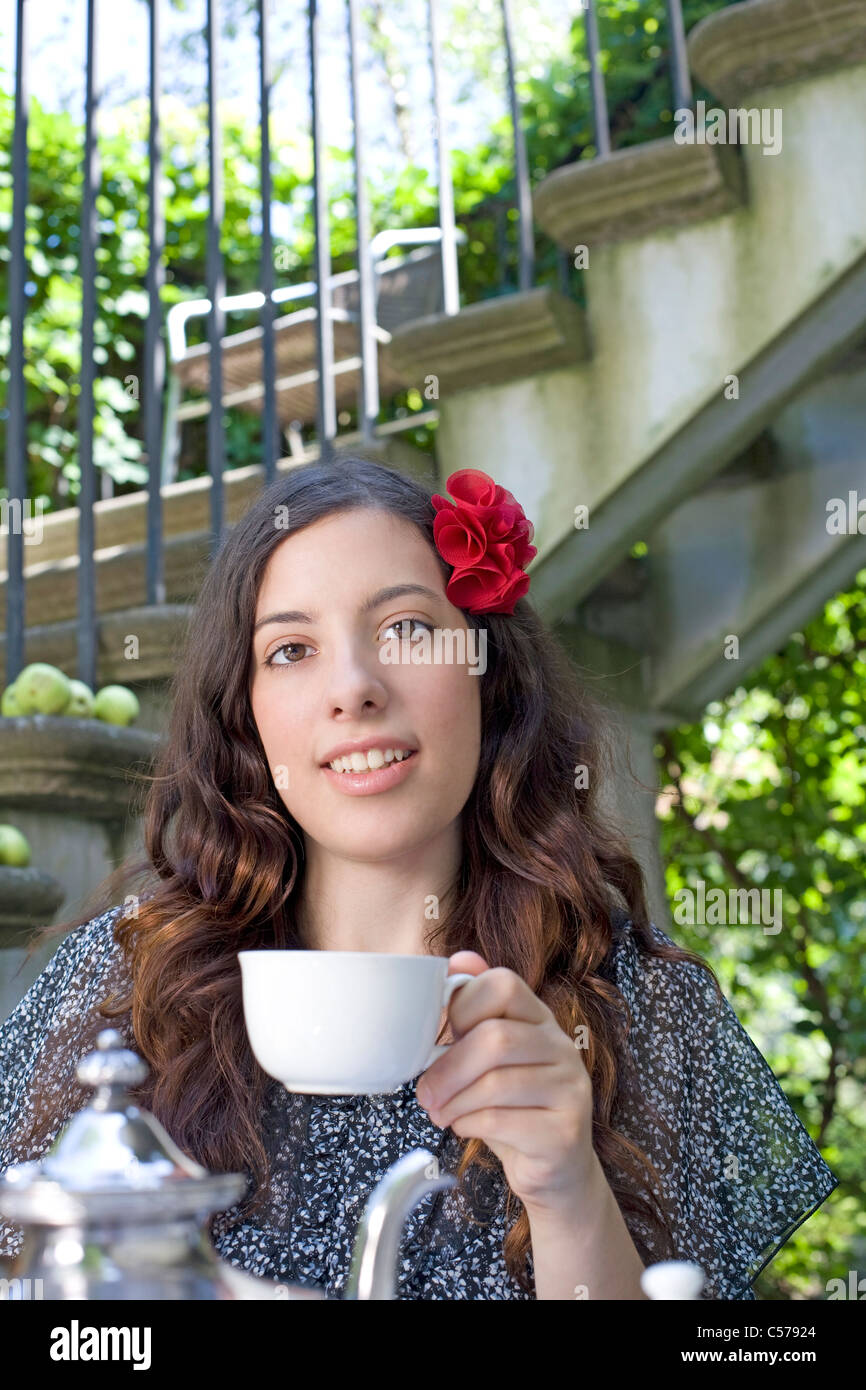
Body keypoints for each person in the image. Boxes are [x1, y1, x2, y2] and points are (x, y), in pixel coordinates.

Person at [0, 458, 838, 1299]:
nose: (355, 689)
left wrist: (566, 1188)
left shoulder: (648, 1011)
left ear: (486, 668)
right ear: (245, 712)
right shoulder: (120, 982)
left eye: (405, 629)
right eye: (291, 649)